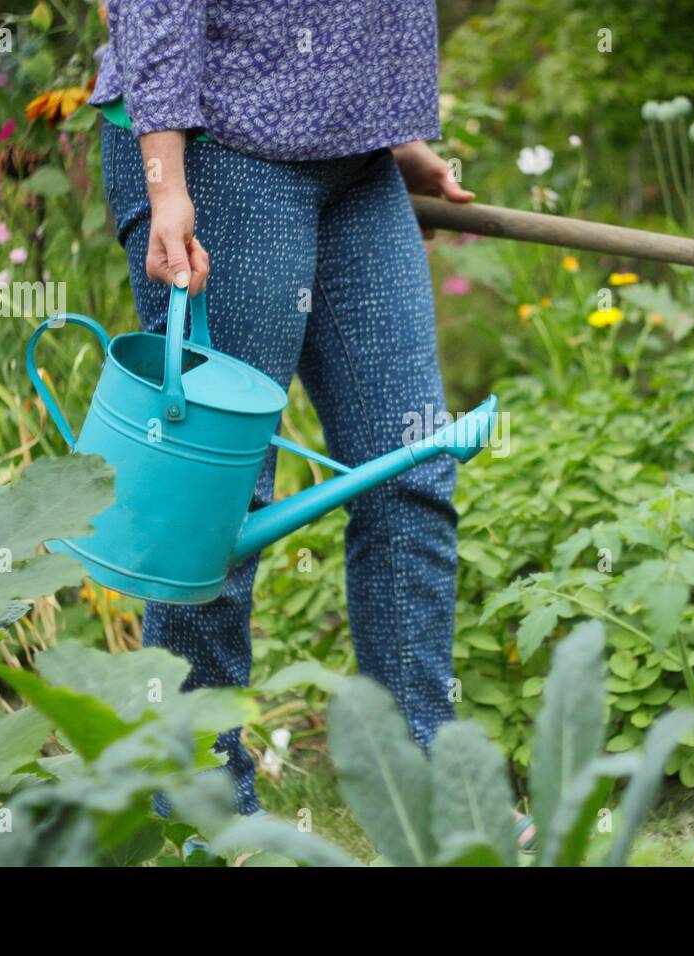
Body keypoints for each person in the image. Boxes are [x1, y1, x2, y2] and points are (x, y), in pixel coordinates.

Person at [91, 1, 535, 852]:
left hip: (356, 162)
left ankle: (431, 788)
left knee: (412, 465)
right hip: (220, 154)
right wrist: (165, 182)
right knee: (217, 505)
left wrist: (392, 132)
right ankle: (204, 815)